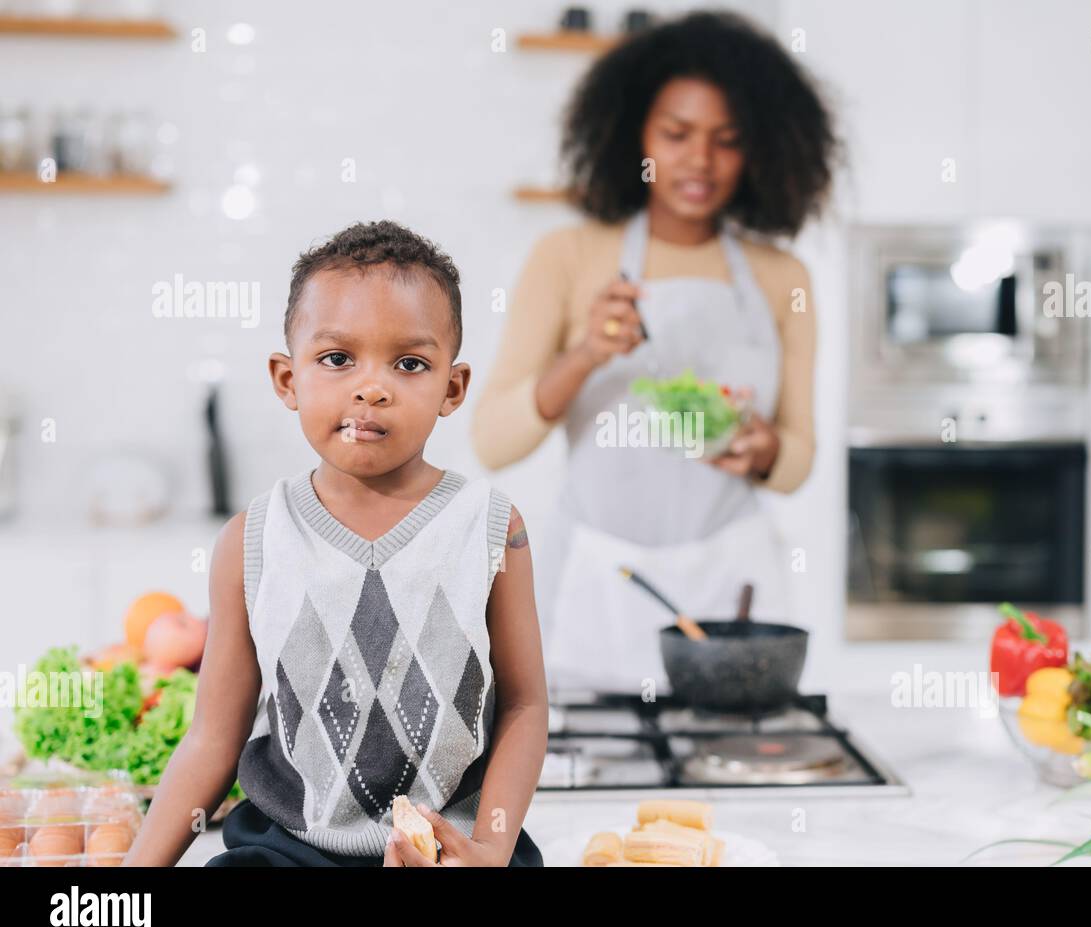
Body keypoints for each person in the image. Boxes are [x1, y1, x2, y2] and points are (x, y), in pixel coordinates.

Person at [124, 221, 548, 867]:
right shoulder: (251, 540)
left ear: (452, 389)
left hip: (448, 849)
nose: (370, 387)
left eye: (410, 363)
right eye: (337, 359)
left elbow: (524, 704)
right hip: (288, 851)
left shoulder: (493, 526)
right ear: (287, 378)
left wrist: (490, 846)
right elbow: (214, 736)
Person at [472, 12, 838, 694]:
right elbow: (492, 441)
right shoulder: (568, 257)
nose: (699, 161)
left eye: (727, 141)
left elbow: (798, 460)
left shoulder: (783, 278)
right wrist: (584, 354)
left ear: (758, 150)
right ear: (633, 131)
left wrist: (762, 451)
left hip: (735, 587)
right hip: (598, 583)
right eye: (675, 135)